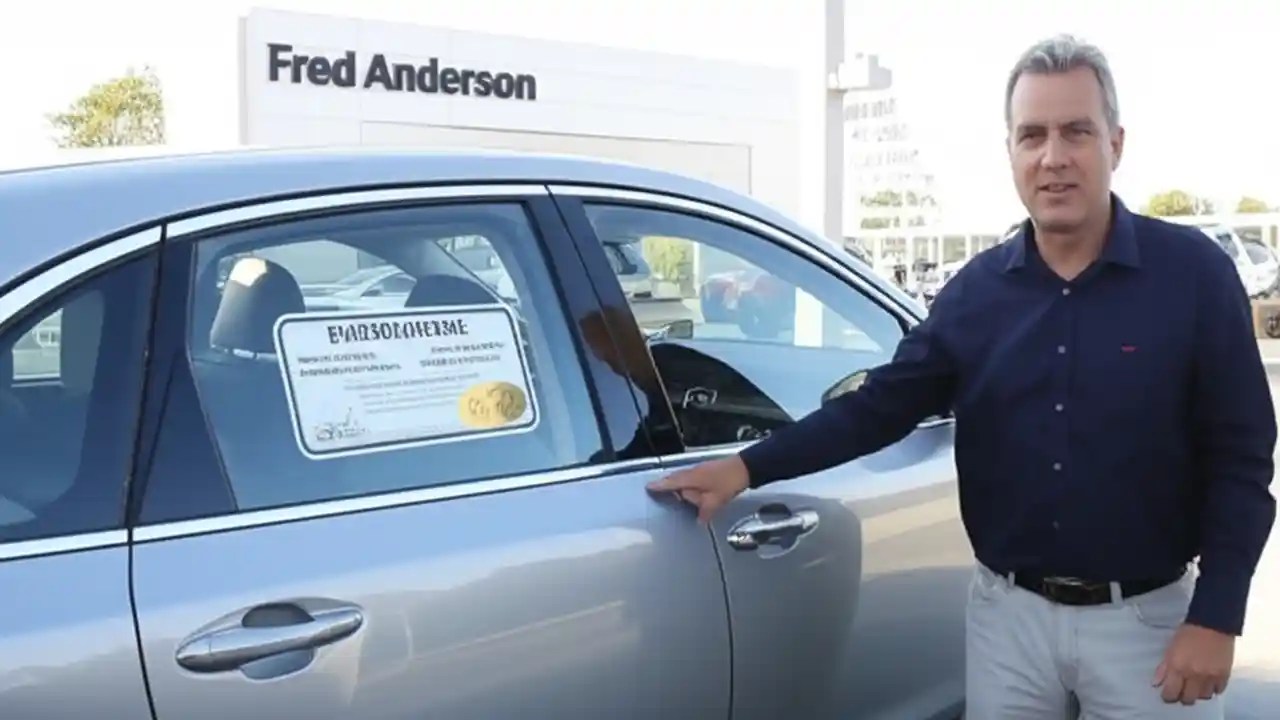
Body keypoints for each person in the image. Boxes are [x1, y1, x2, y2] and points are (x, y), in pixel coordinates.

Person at [647, 33, 1276, 718]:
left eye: (1077, 132)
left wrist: (1218, 614)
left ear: (1115, 143)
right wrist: (746, 468)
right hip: (1008, 622)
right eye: (1031, 135)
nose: (1053, 157)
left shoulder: (1192, 278)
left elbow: (1241, 460)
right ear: (1009, 150)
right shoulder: (976, 294)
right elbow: (880, 407)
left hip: (1147, 627)